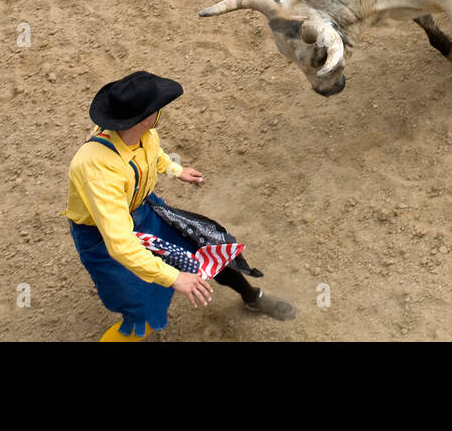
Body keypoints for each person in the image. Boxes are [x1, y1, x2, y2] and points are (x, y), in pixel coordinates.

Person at [64, 70, 296, 341]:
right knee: (144, 313)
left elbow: (151, 153)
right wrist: (174, 277)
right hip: (102, 239)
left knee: (205, 248)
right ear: (145, 118)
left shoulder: (137, 132)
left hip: (142, 211)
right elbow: (120, 244)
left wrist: (175, 170)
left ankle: (251, 296)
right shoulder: (98, 170)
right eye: (157, 108)